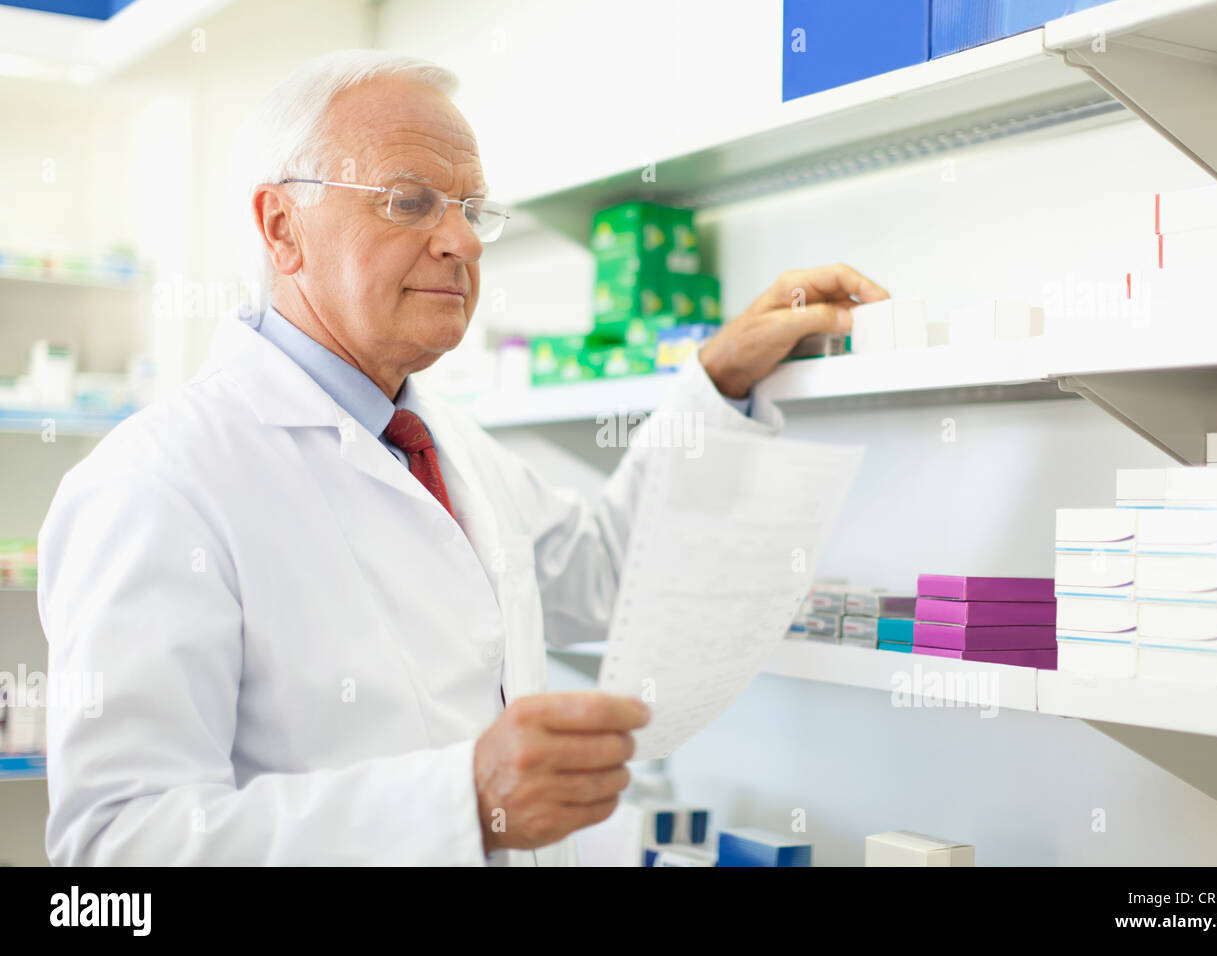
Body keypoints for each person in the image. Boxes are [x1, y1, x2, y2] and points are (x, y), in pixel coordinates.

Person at [37, 49, 887, 865]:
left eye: (470, 208)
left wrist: (719, 373)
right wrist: (461, 801)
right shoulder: (153, 485)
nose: (466, 243)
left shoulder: (444, 443)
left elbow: (603, 579)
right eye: (410, 202)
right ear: (281, 227)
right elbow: (118, 848)